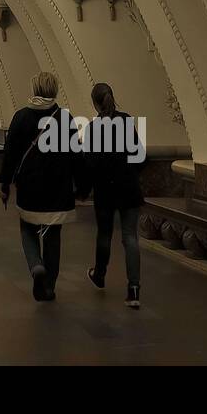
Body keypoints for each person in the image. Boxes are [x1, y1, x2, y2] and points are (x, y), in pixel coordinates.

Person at [0, 72, 82, 302]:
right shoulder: (64, 118)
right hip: (58, 187)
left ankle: (36, 265)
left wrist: (4, 184)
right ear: (54, 89)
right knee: (53, 236)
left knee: (28, 229)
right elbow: (76, 154)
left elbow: (11, 154)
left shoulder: (21, 117)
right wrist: (82, 185)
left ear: (34, 88)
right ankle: (49, 286)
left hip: (30, 185)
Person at [81, 82, 144, 309]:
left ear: (95, 103)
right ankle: (134, 288)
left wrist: (83, 190)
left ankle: (99, 274)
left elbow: (89, 163)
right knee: (130, 237)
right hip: (128, 187)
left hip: (105, 190)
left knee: (105, 234)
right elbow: (140, 155)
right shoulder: (126, 120)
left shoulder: (93, 128)